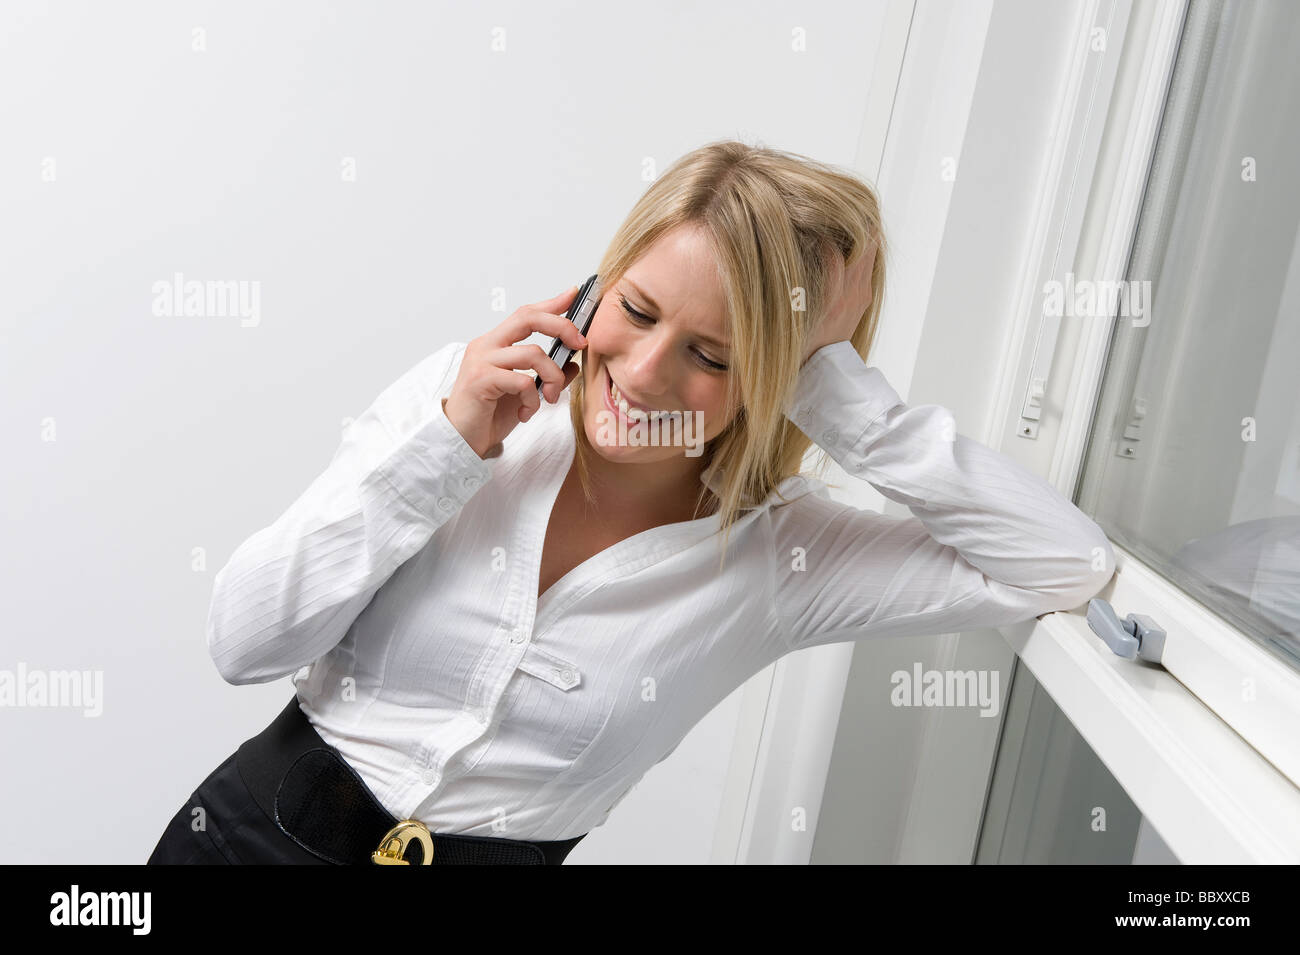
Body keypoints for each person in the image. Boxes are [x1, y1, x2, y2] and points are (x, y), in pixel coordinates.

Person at [148, 139, 1114, 865]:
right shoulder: (458, 405)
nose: (644, 374)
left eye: (714, 354)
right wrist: (445, 449)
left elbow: (1063, 561)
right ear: (597, 286)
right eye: (639, 311)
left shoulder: (786, 559)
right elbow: (243, 641)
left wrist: (836, 389)